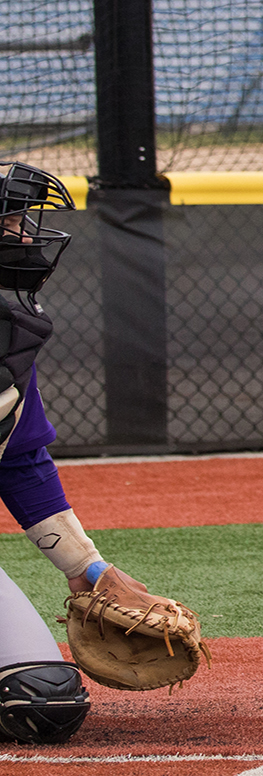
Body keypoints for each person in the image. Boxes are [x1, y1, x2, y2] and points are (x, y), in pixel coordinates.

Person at [0, 164, 95, 746]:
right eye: (11, 220)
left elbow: (19, 464)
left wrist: (90, 572)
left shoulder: (9, 340)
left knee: (43, 701)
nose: (26, 235)